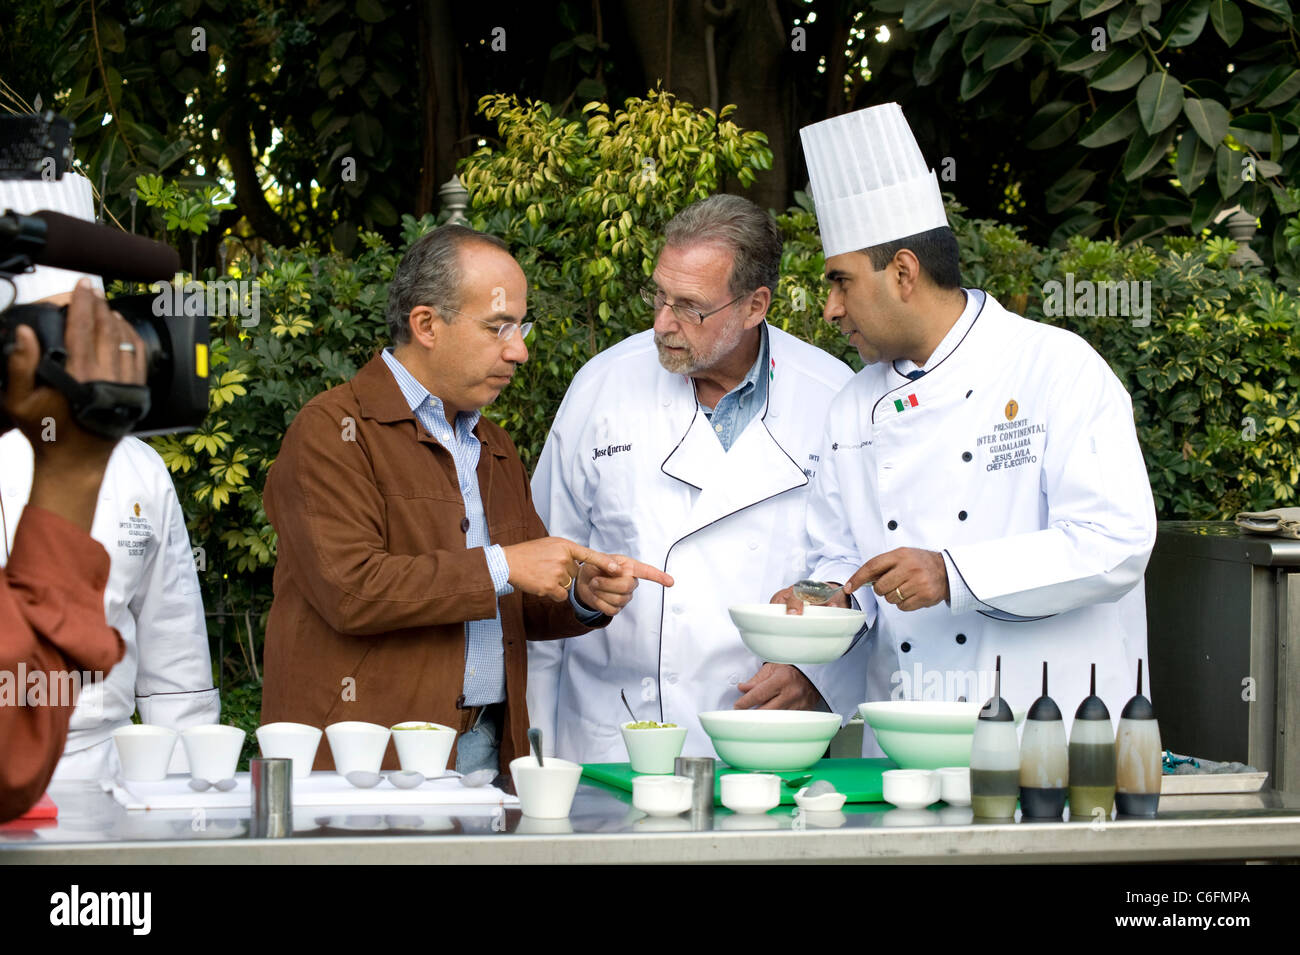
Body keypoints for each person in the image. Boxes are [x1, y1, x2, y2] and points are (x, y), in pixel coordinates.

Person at [776, 103, 1157, 751]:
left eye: (841, 281)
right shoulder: (851, 406)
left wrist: (953, 574)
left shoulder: (1055, 368)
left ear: (903, 273)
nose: (831, 308)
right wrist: (829, 597)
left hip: (1048, 737)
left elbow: (1116, 541)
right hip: (905, 738)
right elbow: (842, 555)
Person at [260, 224, 670, 774]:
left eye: (521, 328)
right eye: (499, 327)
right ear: (426, 324)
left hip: (487, 748)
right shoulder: (331, 430)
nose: (519, 351)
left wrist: (580, 594)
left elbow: (511, 599)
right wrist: (504, 565)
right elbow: (351, 590)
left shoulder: (491, 443)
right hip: (370, 760)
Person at [529, 194, 865, 764]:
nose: (663, 324)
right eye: (659, 296)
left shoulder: (832, 396)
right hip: (614, 739)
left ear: (755, 305)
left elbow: (862, 568)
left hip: (766, 739)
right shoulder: (602, 387)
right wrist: (538, 758)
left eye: (690, 307)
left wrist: (818, 674)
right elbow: (544, 564)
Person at [0, 174, 218, 781]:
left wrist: (184, 793)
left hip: (101, 768)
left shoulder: (139, 466)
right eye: (50, 333)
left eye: (83, 329)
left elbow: (175, 658)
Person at [0, 274, 143, 821]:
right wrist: (70, 475)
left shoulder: (143, 467)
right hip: (30, 738)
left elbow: (172, 629)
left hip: (100, 757)